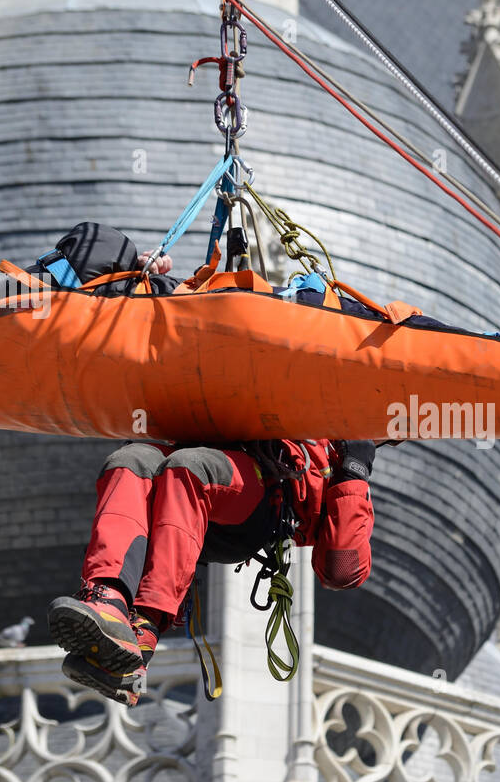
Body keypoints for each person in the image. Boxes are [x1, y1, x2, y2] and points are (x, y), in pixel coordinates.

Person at [34, 224, 376, 706]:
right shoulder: (231, 348)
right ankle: (107, 598)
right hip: (189, 502)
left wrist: (354, 472)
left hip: (254, 505)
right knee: (130, 459)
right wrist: (140, 283)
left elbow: (342, 568)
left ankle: (143, 630)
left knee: (190, 468)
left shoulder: (337, 427)